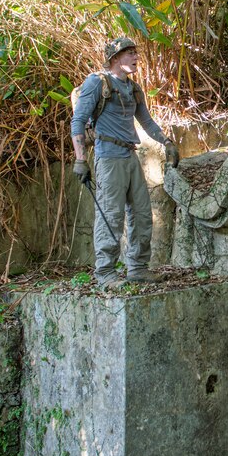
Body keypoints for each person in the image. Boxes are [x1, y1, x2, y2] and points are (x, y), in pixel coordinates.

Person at [71, 37, 180, 288]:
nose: (135, 57)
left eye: (135, 52)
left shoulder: (133, 88)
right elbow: (78, 121)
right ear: (115, 58)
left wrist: (167, 142)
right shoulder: (97, 83)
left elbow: (147, 122)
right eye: (129, 53)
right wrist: (80, 159)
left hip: (130, 156)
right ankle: (105, 273)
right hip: (108, 158)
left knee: (142, 214)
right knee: (111, 215)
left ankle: (138, 268)